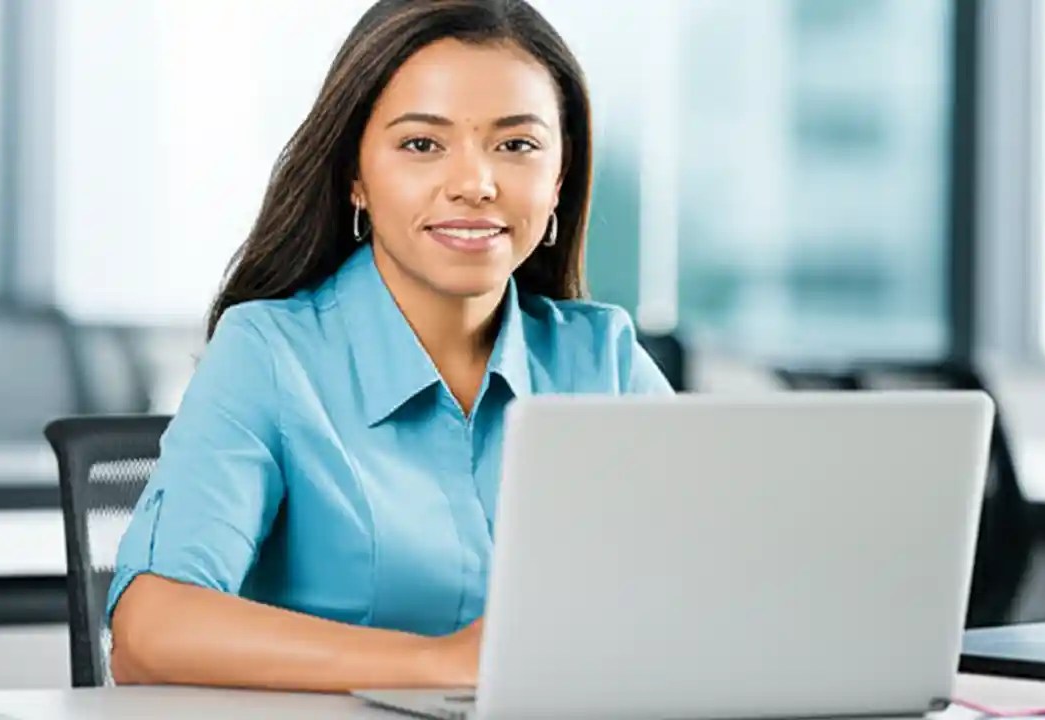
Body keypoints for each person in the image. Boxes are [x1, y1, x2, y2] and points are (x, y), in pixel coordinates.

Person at [108, 0, 672, 692]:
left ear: (559, 176)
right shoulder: (270, 354)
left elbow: (719, 580)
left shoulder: (603, 359)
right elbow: (149, 633)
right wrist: (445, 665)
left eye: (517, 145)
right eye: (422, 145)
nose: (475, 185)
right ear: (356, 175)